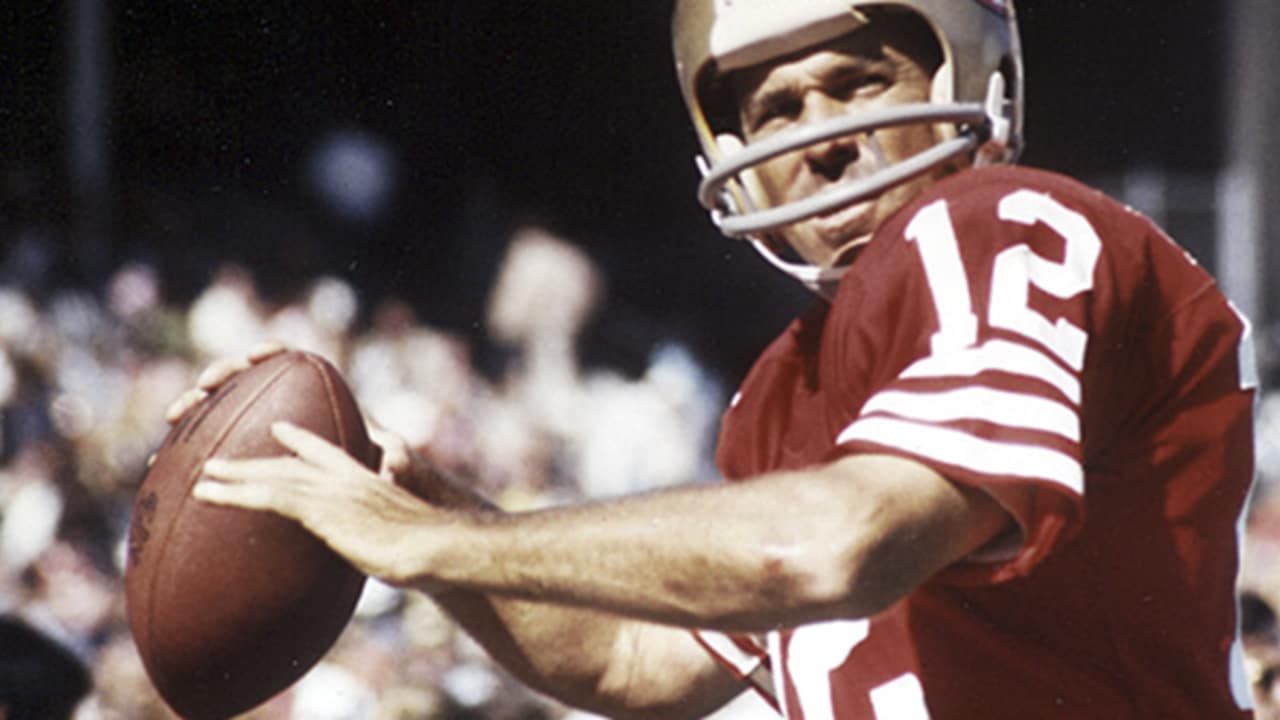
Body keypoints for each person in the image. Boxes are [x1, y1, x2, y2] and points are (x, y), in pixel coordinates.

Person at [171, 1, 1258, 717]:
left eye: (855, 82)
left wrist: (435, 543)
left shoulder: (996, 224)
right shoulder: (786, 390)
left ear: (972, 79)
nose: (819, 132)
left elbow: (830, 547)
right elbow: (630, 660)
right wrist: (429, 508)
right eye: (776, 106)